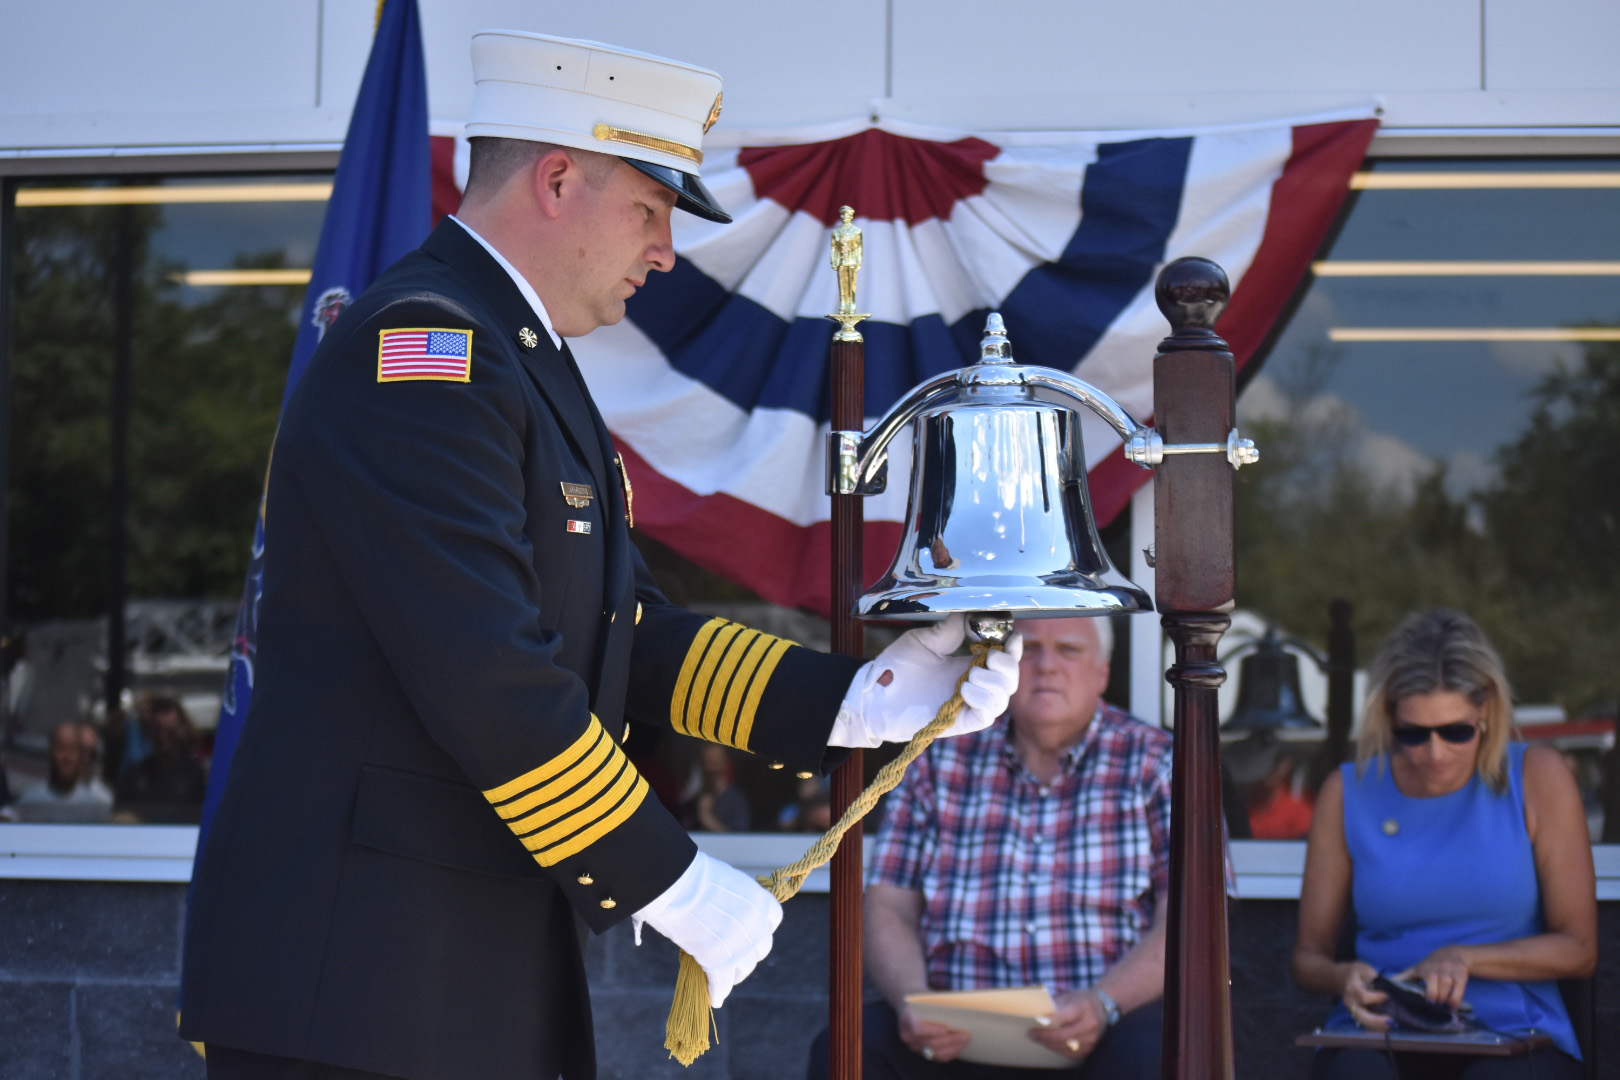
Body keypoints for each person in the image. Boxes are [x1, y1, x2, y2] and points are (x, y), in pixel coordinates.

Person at [180, 30, 1023, 1080]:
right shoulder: (425, 359)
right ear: (558, 178)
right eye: (651, 207)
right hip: (362, 982)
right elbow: (487, 674)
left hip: (444, 975)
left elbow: (627, 628)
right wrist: (670, 880)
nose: (667, 248)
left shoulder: (522, 360)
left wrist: (859, 699)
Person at [818, 615, 1172, 1080]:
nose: (1046, 666)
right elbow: (888, 905)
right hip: (954, 1037)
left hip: (1104, 1032)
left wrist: (1104, 1002)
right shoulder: (938, 760)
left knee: (1158, 1049)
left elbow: (1190, 919)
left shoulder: (1157, 762)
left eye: (1069, 649)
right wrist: (912, 1001)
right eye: (1031, 651)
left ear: (1103, 672)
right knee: (846, 1046)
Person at [1292, 610, 1596, 1079]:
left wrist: (1465, 958)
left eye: (1456, 732)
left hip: (1513, 1030)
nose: (1434, 754)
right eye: (1413, 734)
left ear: (1486, 713)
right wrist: (1341, 977)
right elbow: (1307, 959)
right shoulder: (1349, 791)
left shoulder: (1536, 778)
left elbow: (1580, 949)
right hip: (1383, 1029)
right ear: (1388, 717)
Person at [116, 693, 206, 823]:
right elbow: (120, 813)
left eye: (169, 731)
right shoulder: (137, 774)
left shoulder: (195, 775)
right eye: (157, 730)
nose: (162, 736)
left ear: (180, 730)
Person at [14, 720, 113, 824]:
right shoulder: (28, 805)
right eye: (61, 748)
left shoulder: (97, 810)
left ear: (80, 755)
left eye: (72, 749)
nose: (67, 757)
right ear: (51, 752)